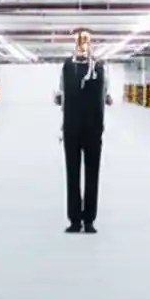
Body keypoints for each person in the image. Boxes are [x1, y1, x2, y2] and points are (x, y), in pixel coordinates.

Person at [54, 28, 112, 234]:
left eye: (85, 42)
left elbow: (106, 96)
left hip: (93, 129)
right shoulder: (67, 67)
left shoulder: (100, 68)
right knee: (73, 173)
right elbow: (61, 95)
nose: (83, 47)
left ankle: (88, 220)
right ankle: (75, 220)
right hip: (72, 128)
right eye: (81, 42)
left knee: (91, 174)